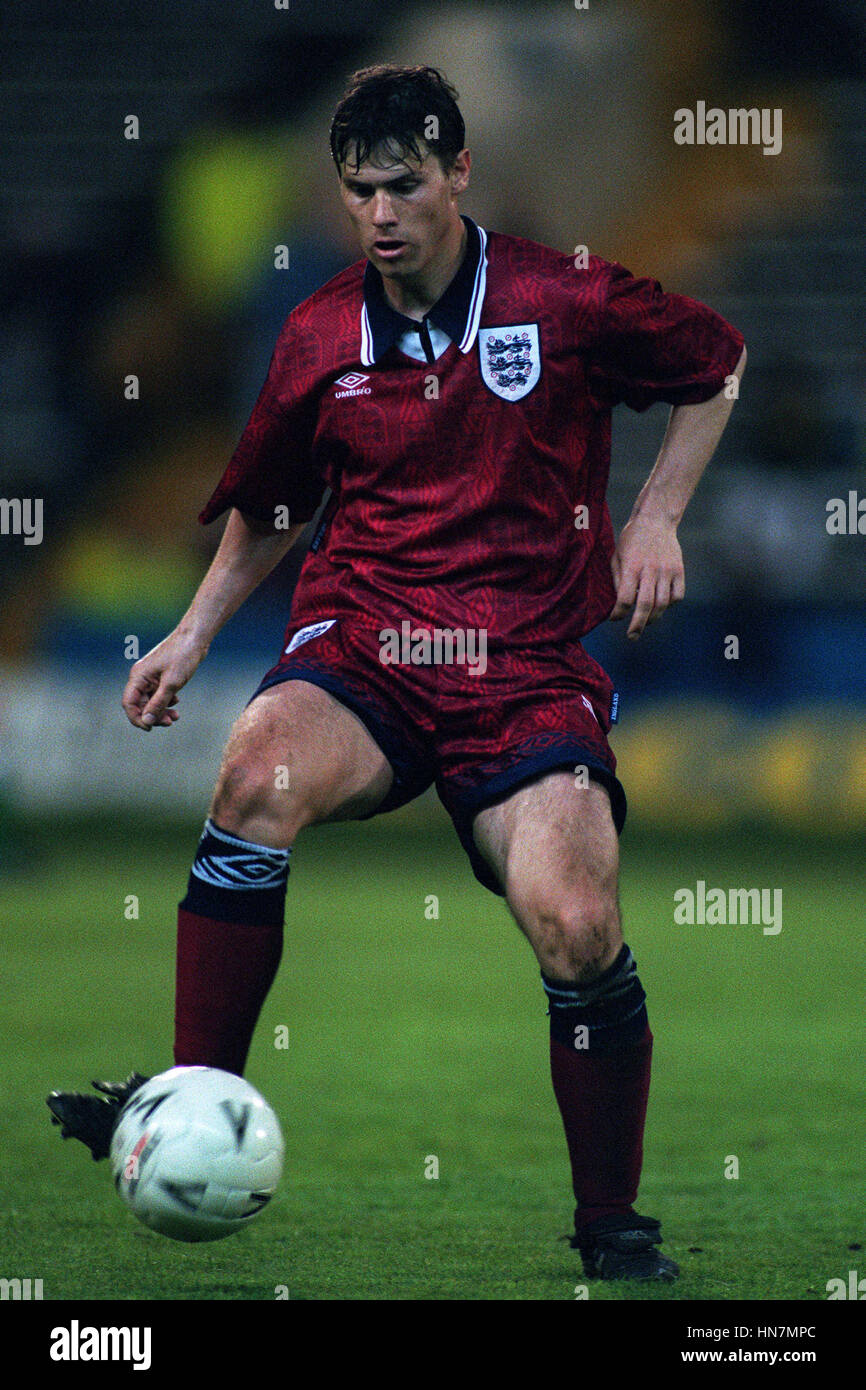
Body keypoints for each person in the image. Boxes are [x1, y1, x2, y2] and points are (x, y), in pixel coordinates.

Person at [48, 64, 746, 1283]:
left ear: (457, 173)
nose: (380, 211)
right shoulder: (319, 333)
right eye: (359, 188)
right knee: (254, 772)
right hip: (367, 643)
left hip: (525, 666)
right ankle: (183, 1100)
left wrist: (653, 518)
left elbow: (714, 361)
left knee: (579, 924)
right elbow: (271, 500)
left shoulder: (560, 295)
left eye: (404, 184)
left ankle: (610, 1226)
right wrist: (196, 631)